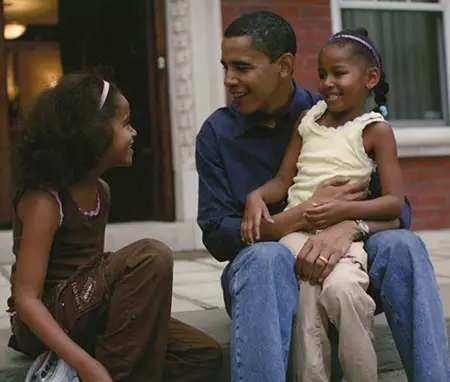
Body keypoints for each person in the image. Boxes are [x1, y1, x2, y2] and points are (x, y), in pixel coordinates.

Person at [196, 10, 450, 382]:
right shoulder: (216, 133)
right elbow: (219, 235)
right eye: (225, 67)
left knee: (403, 246)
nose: (229, 80)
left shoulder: (336, 113)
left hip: (345, 263)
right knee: (264, 259)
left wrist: (348, 225)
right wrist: (299, 217)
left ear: (283, 66)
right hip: (265, 279)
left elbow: (400, 209)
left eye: (242, 67)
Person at [8, 73, 222, 382]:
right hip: (43, 320)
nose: (134, 132)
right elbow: (27, 299)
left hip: (86, 312)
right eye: (125, 123)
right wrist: (86, 365)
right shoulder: (46, 200)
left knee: (200, 355)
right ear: (92, 135)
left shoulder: (101, 191)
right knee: (151, 255)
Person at [241, 27, 404, 381]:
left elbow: (394, 202)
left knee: (345, 289)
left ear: (370, 78)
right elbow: (283, 181)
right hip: (297, 233)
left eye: (339, 73)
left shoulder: (375, 130)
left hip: (344, 237)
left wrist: (343, 212)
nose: (327, 82)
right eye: (322, 74)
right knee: (308, 302)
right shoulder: (309, 121)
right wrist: (256, 196)